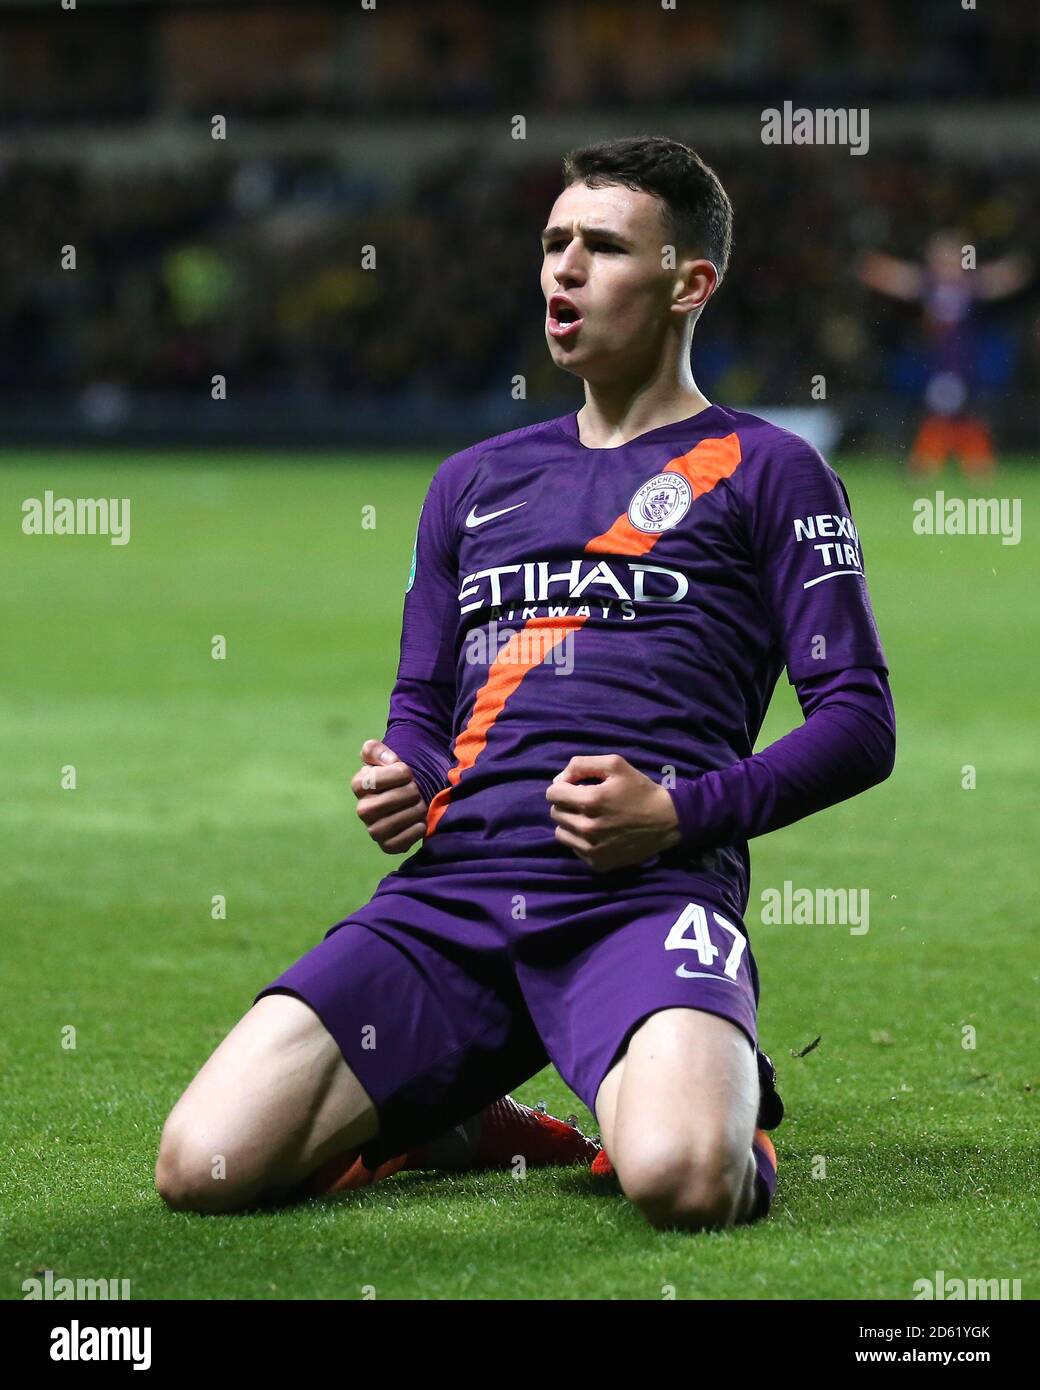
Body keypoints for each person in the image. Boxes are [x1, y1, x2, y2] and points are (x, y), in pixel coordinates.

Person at [156, 135, 895, 1230]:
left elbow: (857, 722)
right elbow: (421, 711)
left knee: (685, 1181)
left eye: (602, 246)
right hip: (450, 897)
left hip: (644, 896)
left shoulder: (768, 470)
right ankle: (458, 1115)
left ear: (689, 281)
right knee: (202, 1166)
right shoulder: (472, 481)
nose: (563, 268)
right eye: (553, 243)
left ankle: (717, 1104)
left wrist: (677, 813)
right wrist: (402, 769)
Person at [858, 231, 1031, 475]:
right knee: (948, 413)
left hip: (965, 363)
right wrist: (875, 268)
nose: (945, 265)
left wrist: (1020, 264)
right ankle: (958, 465)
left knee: (956, 414)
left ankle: (940, 464)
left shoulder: (970, 285)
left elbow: (1001, 279)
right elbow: (900, 279)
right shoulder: (930, 284)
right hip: (939, 363)